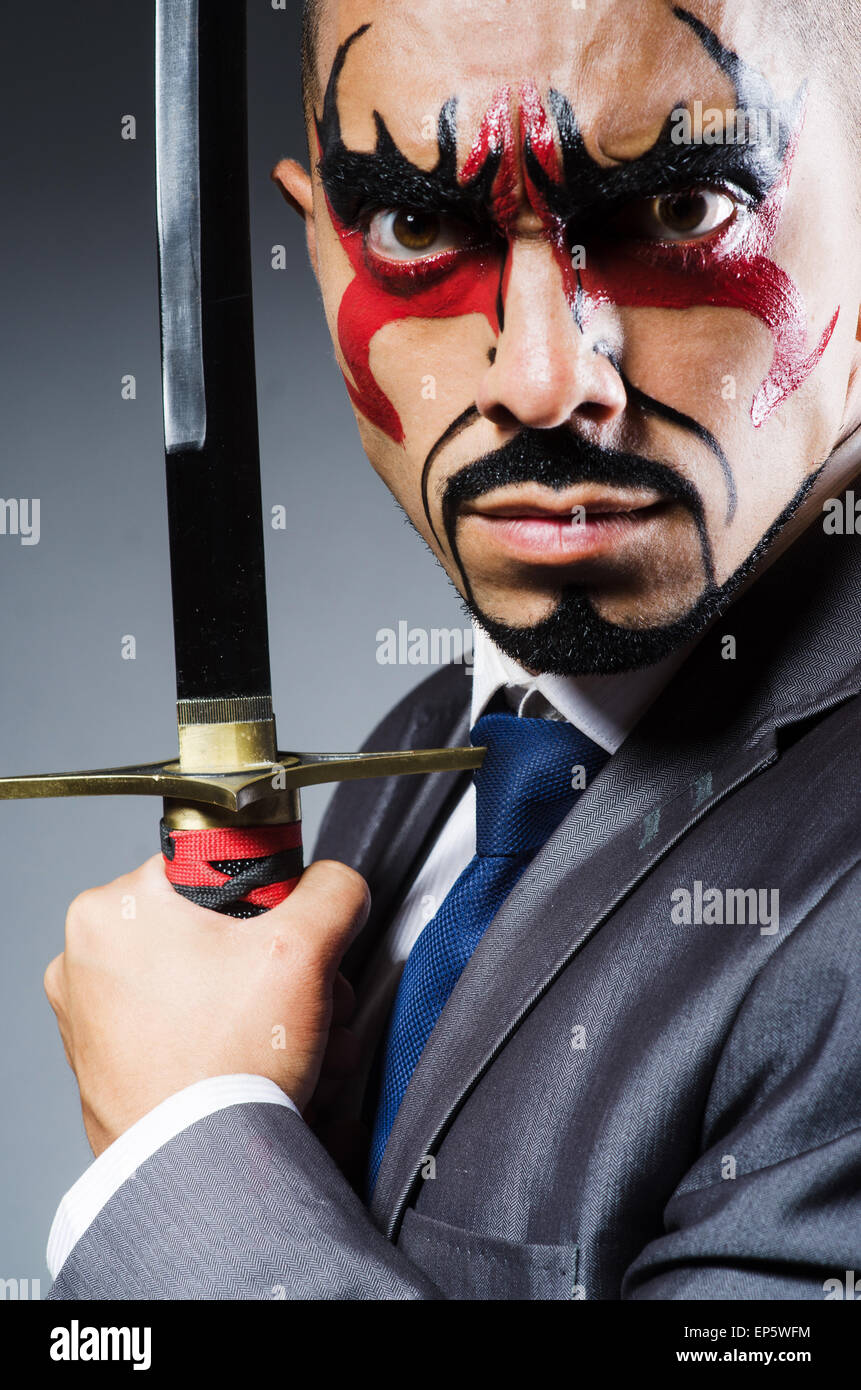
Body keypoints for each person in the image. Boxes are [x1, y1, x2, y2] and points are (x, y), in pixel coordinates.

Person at [45, 0, 861, 1299]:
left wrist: (188, 1147)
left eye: (677, 212)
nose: (541, 380)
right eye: (417, 227)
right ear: (317, 246)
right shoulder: (450, 739)